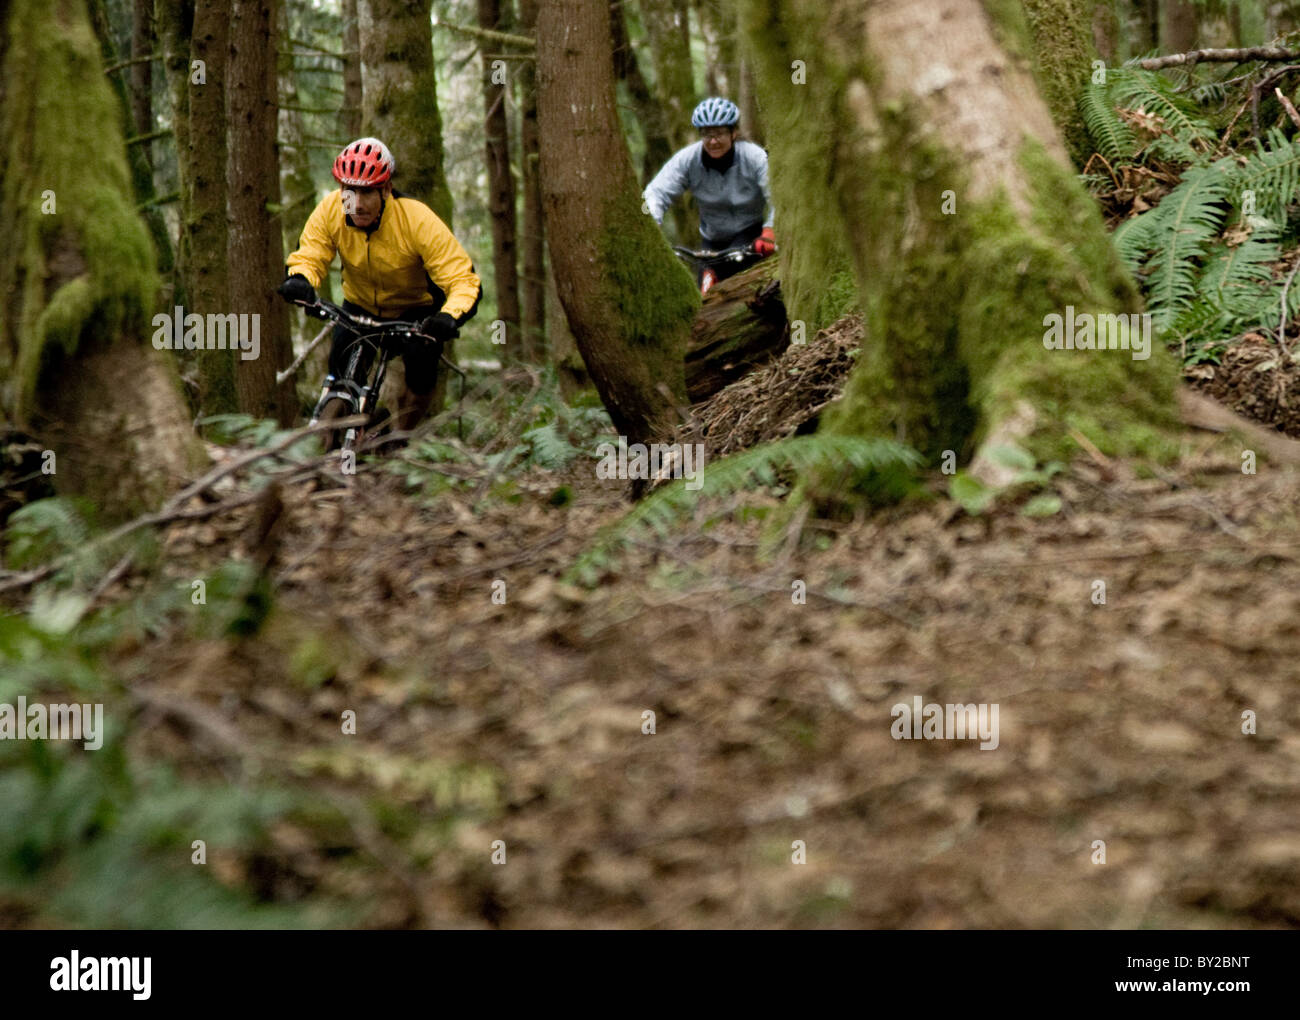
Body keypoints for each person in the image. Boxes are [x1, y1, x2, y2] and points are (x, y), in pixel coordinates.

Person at [277, 137, 482, 433]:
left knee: (421, 369)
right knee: (340, 375)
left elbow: (462, 279)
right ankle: (335, 438)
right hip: (359, 307)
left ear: (385, 190)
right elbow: (310, 254)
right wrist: (300, 280)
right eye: (349, 192)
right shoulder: (330, 210)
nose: (356, 204)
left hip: (415, 311)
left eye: (367, 193)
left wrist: (448, 317)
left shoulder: (417, 219)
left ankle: (402, 435)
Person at [643, 97, 775, 285]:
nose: (713, 141)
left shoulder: (755, 157)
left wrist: (770, 230)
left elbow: (778, 198)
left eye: (720, 134)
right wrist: (652, 222)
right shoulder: (688, 159)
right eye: (706, 135)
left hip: (749, 235)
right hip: (711, 241)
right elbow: (656, 192)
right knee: (704, 292)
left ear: (734, 133)